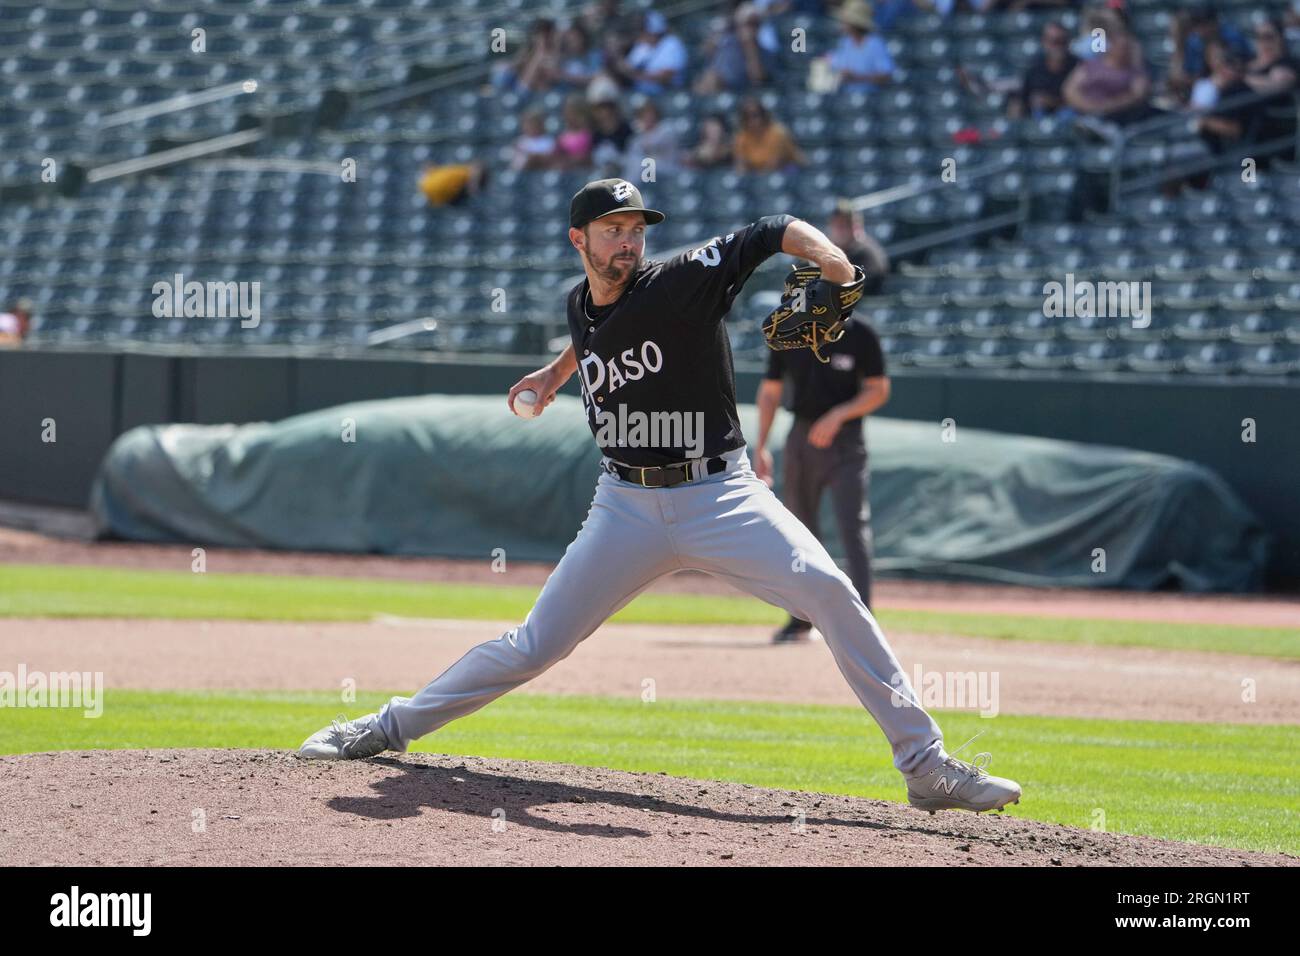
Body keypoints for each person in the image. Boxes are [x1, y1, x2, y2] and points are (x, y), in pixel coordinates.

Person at [299, 178, 1024, 818]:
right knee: (534, 644)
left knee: (829, 591)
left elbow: (769, 232)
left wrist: (832, 261)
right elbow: (594, 330)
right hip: (624, 505)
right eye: (614, 230)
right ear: (578, 239)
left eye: (637, 229)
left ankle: (926, 767)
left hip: (721, 493)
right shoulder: (579, 302)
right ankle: (385, 728)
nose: (629, 241)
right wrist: (554, 377)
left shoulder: (681, 282)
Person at [754, 301, 889, 644]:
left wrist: (839, 415)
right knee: (799, 533)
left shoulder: (860, 333)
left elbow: (878, 389)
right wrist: (761, 445)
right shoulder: (788, 332)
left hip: (846, 442)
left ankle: (862, 620)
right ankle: (802, 619)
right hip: (801, 436)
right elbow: (771, 391)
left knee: (852, 526)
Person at [1061, 29, 1152, 125]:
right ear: (1111, 45)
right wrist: (1089, 107)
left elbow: (1138, 95)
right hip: (1083, 112)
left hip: (1118, 117)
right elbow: (1070, 90)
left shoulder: (1135, 72)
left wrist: (1109, 106)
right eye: (1120, 46)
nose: (1123, 50)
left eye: (1126, 47)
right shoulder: (1090, 66)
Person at [694, 3, 777, 94]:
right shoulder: (726, 43)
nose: (752, 28)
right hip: (720, 88)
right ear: (738, 26)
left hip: (745, 93)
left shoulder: (766, 52)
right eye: (748, 23)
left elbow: (758, 81)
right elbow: (705, 56)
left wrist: (750, 47)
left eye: (755, 24)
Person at [1008, 20, 1078, 119]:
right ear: (1044, 42)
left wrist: (1051, 101)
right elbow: (1022, 97)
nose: (1057, 46)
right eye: (1053, 41)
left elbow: (1084, 101)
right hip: (1038, 122)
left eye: (1061, 41)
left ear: (1068, 42)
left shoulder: (1079, 67)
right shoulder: (1035, 67)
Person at [827, 0, 894, 93]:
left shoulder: (875, 44)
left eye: (845, 21)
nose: (841, 24)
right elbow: (835, 63)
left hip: (870, 98)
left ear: (855, 24)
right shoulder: (844, 43)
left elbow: (886, 76)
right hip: (845, 98)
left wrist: (858, 78)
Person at [615, 10, 688, 95]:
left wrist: (634, 75)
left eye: (643, 28)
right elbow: (627, 67)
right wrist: (617, 57)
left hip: (667, 93)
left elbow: (666, 77)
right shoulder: (642, 46)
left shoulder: (672, 43)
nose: (640, 33)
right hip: (639, 93)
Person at [732, 97, 807, 173]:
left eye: (755, 116)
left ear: (764, 116)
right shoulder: (741, 136)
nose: (752, 122)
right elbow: (740, 165)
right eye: (747, 118)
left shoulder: (777, 133)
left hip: (786, 168)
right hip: (756, 172)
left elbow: (773, 165)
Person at [623, 99, 681, 182]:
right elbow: (631, 159)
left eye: (650, 114)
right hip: (648, 175)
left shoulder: (666, 128)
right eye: (642, 115)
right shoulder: (636, 139)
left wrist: (645, 134)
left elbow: (656, 144)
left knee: (642, 165)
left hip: (669, 167)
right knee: (636, 164)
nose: (647, 117)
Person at [555, 94, 595, 169]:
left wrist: (572, 160)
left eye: (572, 113)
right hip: (567, 171)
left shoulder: (589, 132)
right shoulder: (563, 135)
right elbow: (557, 155)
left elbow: (589, 156)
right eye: (567, 113)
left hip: (584, 169)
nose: (568, 116)